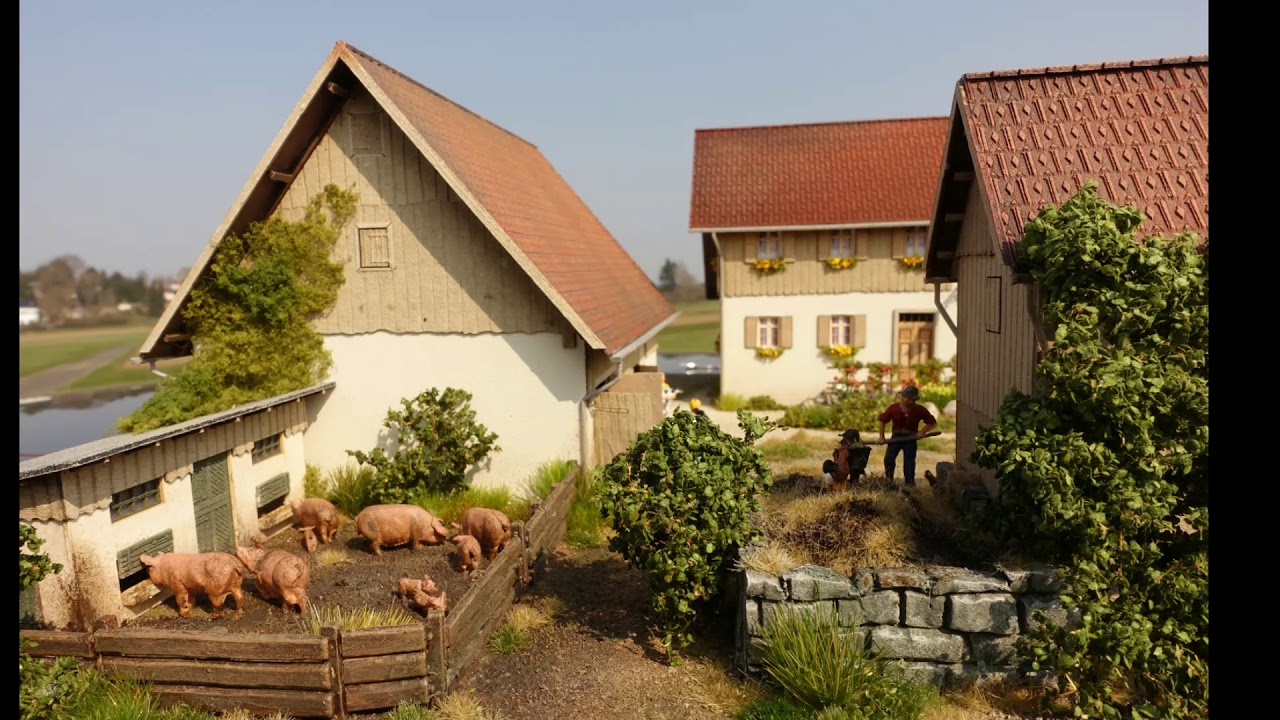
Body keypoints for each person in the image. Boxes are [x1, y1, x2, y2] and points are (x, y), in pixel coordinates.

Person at [877, 385, 936, 486]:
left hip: (910, 438)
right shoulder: (894, 408)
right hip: (896, 438)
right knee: (889, 458)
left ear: (914, 399)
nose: (905, 400)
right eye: (904, 397)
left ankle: (909, 483)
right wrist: (881, 437)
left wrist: (922, 431)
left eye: (909, 399)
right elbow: (882, 421)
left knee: (909, 461)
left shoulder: (919, 410)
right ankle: (889, 482)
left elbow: (932, 423)